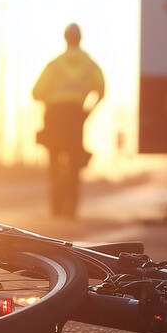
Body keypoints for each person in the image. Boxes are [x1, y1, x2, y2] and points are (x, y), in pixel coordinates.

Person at [33, 23, 105, 218]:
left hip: (55, 116)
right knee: (74, 162)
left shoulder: (55, 64)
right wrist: (87, 112)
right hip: (75, 116)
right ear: (80, 38)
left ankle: (56, 207)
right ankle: (71, 208)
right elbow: (101, 90)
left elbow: (36, 92)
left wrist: (48, 102)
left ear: (65, 38)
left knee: (54, 160)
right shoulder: (90, 64)